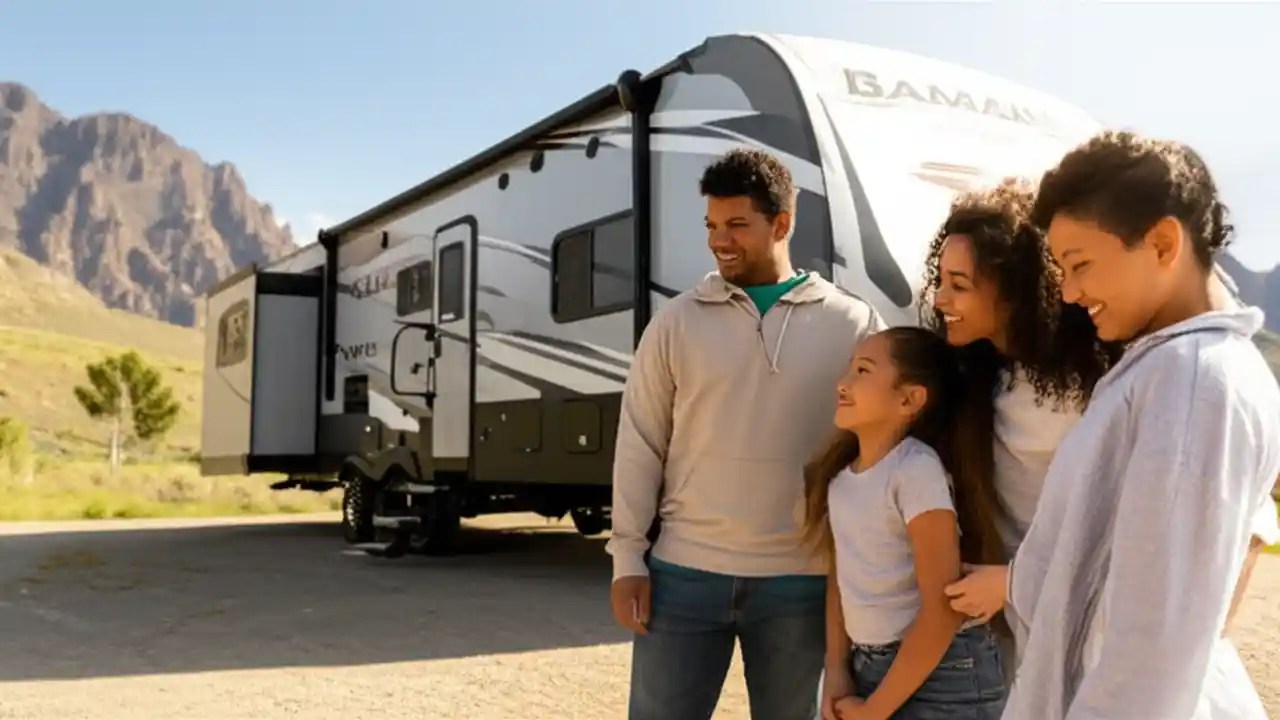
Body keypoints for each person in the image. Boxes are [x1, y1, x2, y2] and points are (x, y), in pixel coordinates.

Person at [921, 177, 1279, 673]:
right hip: (1011, 642)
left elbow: (1247, 525)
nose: (939, 299)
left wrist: (1012, 583)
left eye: (959, 285)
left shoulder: (1110, 382)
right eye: (940, 280)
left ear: (1016, 290)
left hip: (1099, 643)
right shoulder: (975, 379)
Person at [999, 130, 1280, 718]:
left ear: (1161, 243)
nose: (1070, 292)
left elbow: (1152, 648)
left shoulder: (1194, 380)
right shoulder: (1172, 370)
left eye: (1079, 265)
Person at [606, 147, 886, 720]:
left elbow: (880, 447)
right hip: (683, 575)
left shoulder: (853, 323)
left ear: (782, 223)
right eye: (712, 225)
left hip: (801, 583)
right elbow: (640, 442)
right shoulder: (676, 322)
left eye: (737, 224)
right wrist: (628, 558)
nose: (719, 240)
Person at [805, 326, 1007, 720]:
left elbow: (942, 608)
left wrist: (876, 710)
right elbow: (841, 583)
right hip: (871, 667)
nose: (842, 383)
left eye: (863, 371)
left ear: (910, 399)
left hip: (947, 675)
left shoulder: (915, 471)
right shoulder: (841, 481)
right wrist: (837, 670)